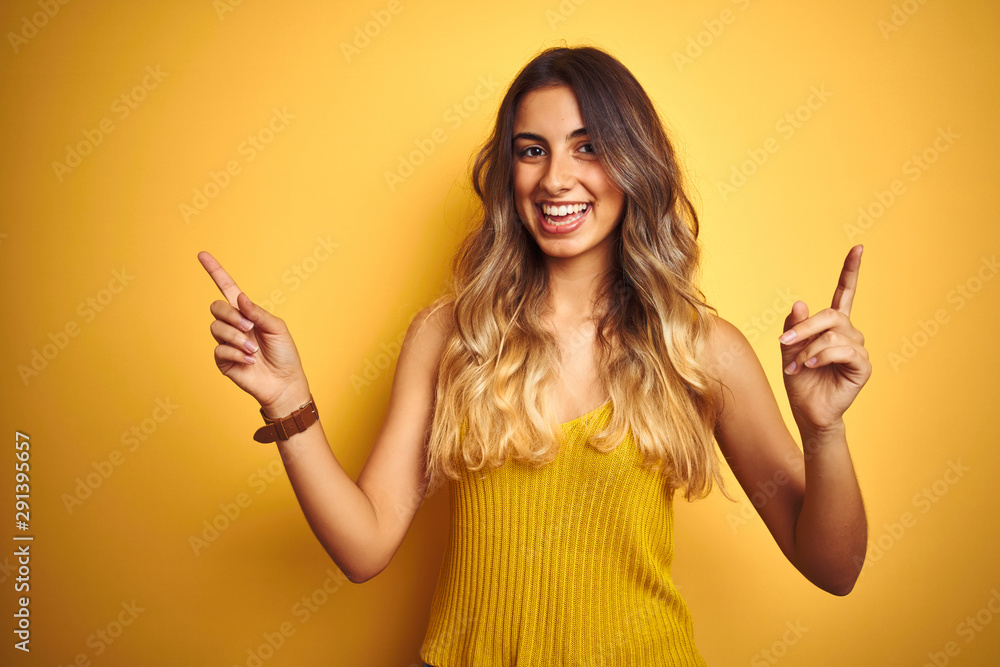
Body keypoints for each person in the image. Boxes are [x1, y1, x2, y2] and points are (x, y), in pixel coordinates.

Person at [199, 45, 870, 667]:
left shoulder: (698, 348)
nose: (556, 178)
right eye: (531, 150)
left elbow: (833, 567)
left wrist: (824, 430)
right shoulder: (449, 334)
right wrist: (287, 401)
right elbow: (364, 544)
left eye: (588, 147)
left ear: (635, 163)